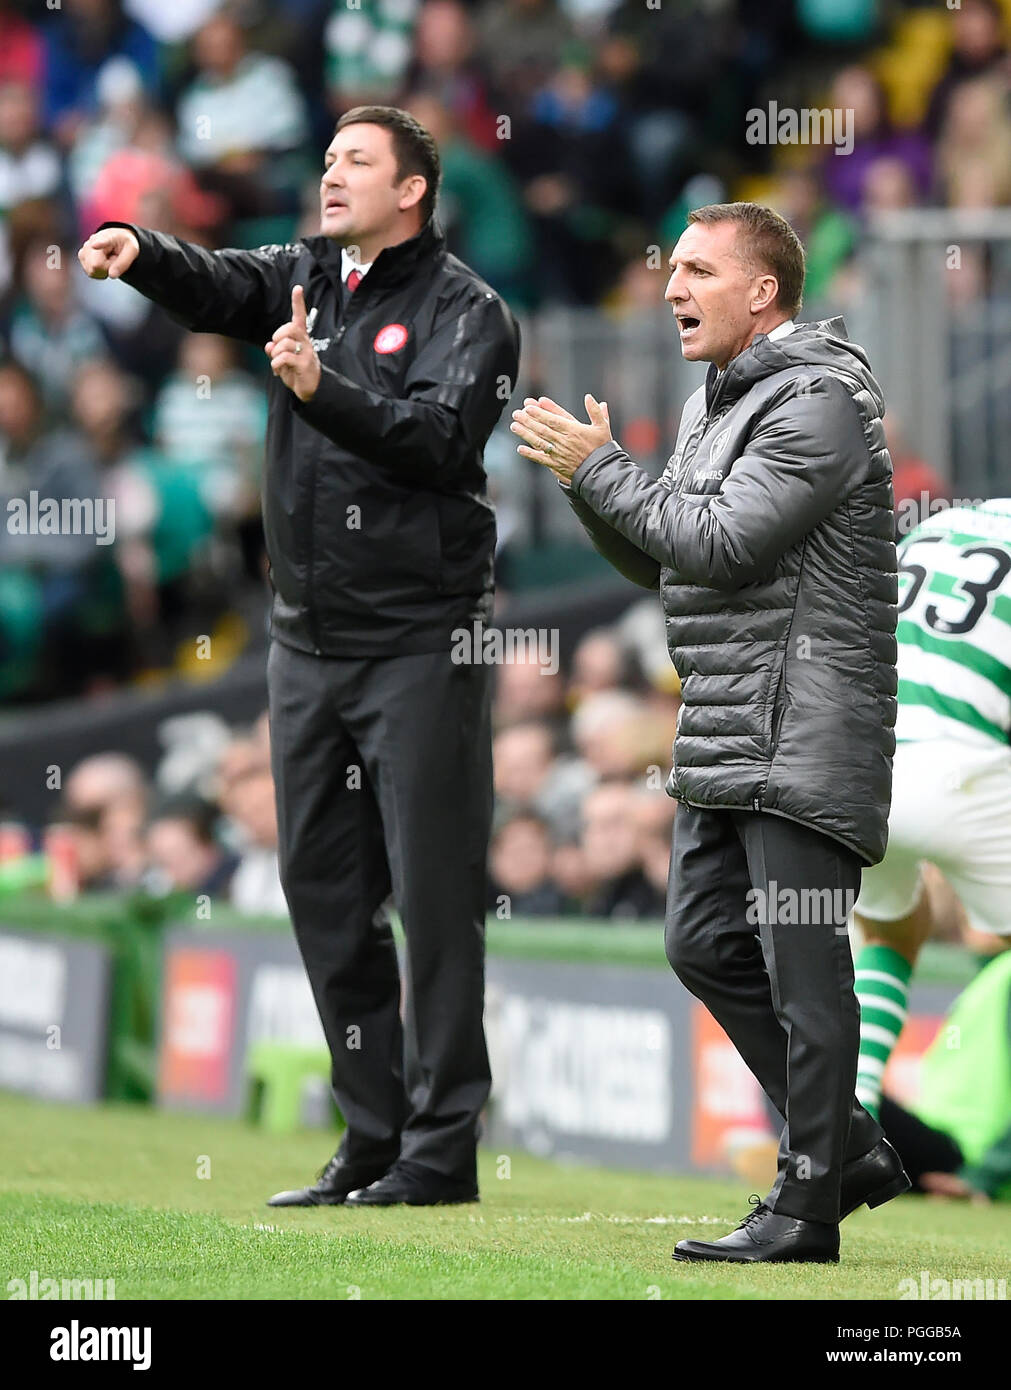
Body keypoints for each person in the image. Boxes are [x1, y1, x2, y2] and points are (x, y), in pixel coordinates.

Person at [79, 105, 520, 1208]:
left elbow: (442, 440)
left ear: (412, 189)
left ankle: (442, 1147)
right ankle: (371, 1132)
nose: (331, 176)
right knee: (321, 891)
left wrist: (329, 391)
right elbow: (222, 281)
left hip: (422, 636)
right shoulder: (309, 275)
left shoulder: (470, 311)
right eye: (327, 159)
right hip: (305, 643)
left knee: (434, 891)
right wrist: (144, 254)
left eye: (356, 162)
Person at [510, 201, 906, 1264]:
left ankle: (806, 1209)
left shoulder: (820, 400)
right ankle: (852, 1148)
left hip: (804, 723)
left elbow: (723, 542)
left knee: (805, 980)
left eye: (695, 270)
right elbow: (664, 558)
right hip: (731, 726)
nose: (670, 286)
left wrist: (603, 470)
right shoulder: (713, 405)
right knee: (700, 943)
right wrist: (590, 484)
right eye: (672, 268)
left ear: (763, 290)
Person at [852, 500, 1011, 1119]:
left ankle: (853, 1118)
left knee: (891, 926)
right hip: (960, 767)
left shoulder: (938, 526)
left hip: (865, 765)